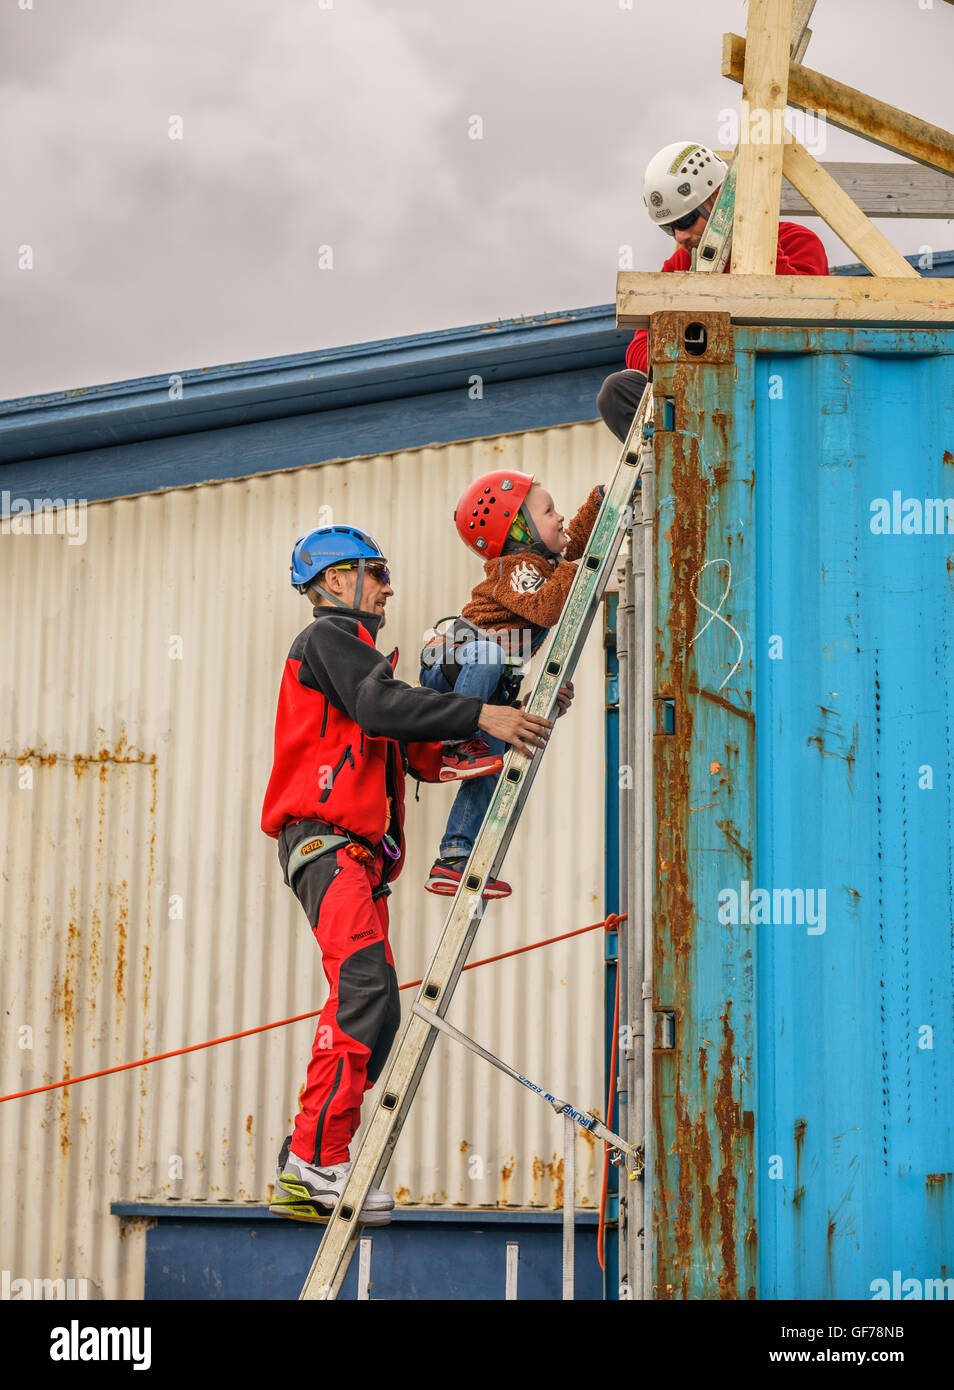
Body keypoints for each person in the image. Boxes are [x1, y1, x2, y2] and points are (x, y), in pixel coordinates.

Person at [261, 525, 553, 1225]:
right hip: (326, 848)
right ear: (337, 582)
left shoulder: (361, 664)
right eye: (378, 572)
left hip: (360, 861)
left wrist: (505, 719)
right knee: (362, 990)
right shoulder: (330, 641)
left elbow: (410, 747)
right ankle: (313, 1167)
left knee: (377, 1008)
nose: (390, 585)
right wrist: (479, 708)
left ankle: (310, 1154)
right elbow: (381, 707)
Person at [421, 470, 599, 898]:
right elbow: (546, 608)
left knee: (492, 765)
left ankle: (453, 856)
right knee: (489, 650)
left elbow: (573, 541)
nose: (559, 518)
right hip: (451, 665)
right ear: (519, 530)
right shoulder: (515, 567)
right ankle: (461, 743)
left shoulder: (545, 563)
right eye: (548, 511)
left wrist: (600, 505)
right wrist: (579, 569)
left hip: (485, 683)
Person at [598, 140, 830, 442]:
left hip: (774, 392)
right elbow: (639, 349)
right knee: (618, 390)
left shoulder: (797, 242)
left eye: (685, 220)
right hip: (702, 399)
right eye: (669, 228)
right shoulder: (682, 263)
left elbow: (802, 325)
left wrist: (751, 240)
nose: (680, 236)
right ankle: (675, 462)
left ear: (718, 199)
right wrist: (694, 358)